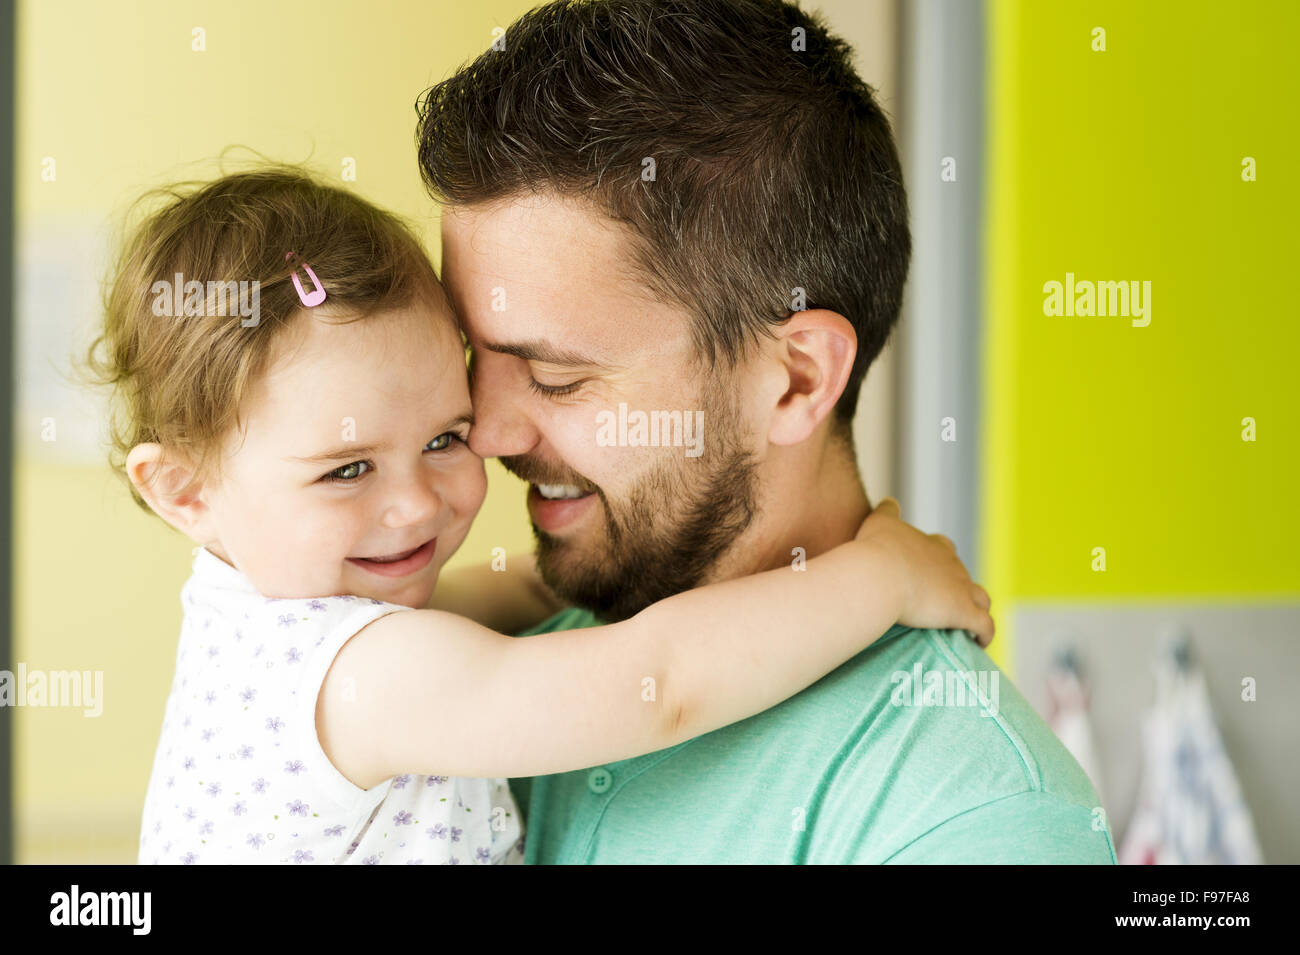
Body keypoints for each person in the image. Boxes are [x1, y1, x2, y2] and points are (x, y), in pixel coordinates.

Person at [82, 166, 991, 864]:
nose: (414, 504)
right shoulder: (360, 680)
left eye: (444, 436)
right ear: (185, 492)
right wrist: (882, 576)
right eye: (347, 468)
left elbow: (505, 596)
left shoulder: (273, 622)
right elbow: (661, 682)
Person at [418, 0, 1118, 862]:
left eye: (557, 376)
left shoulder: (970, 815)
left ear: (796, 378)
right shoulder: (489, 676)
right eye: (469, 357)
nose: (483, 432)